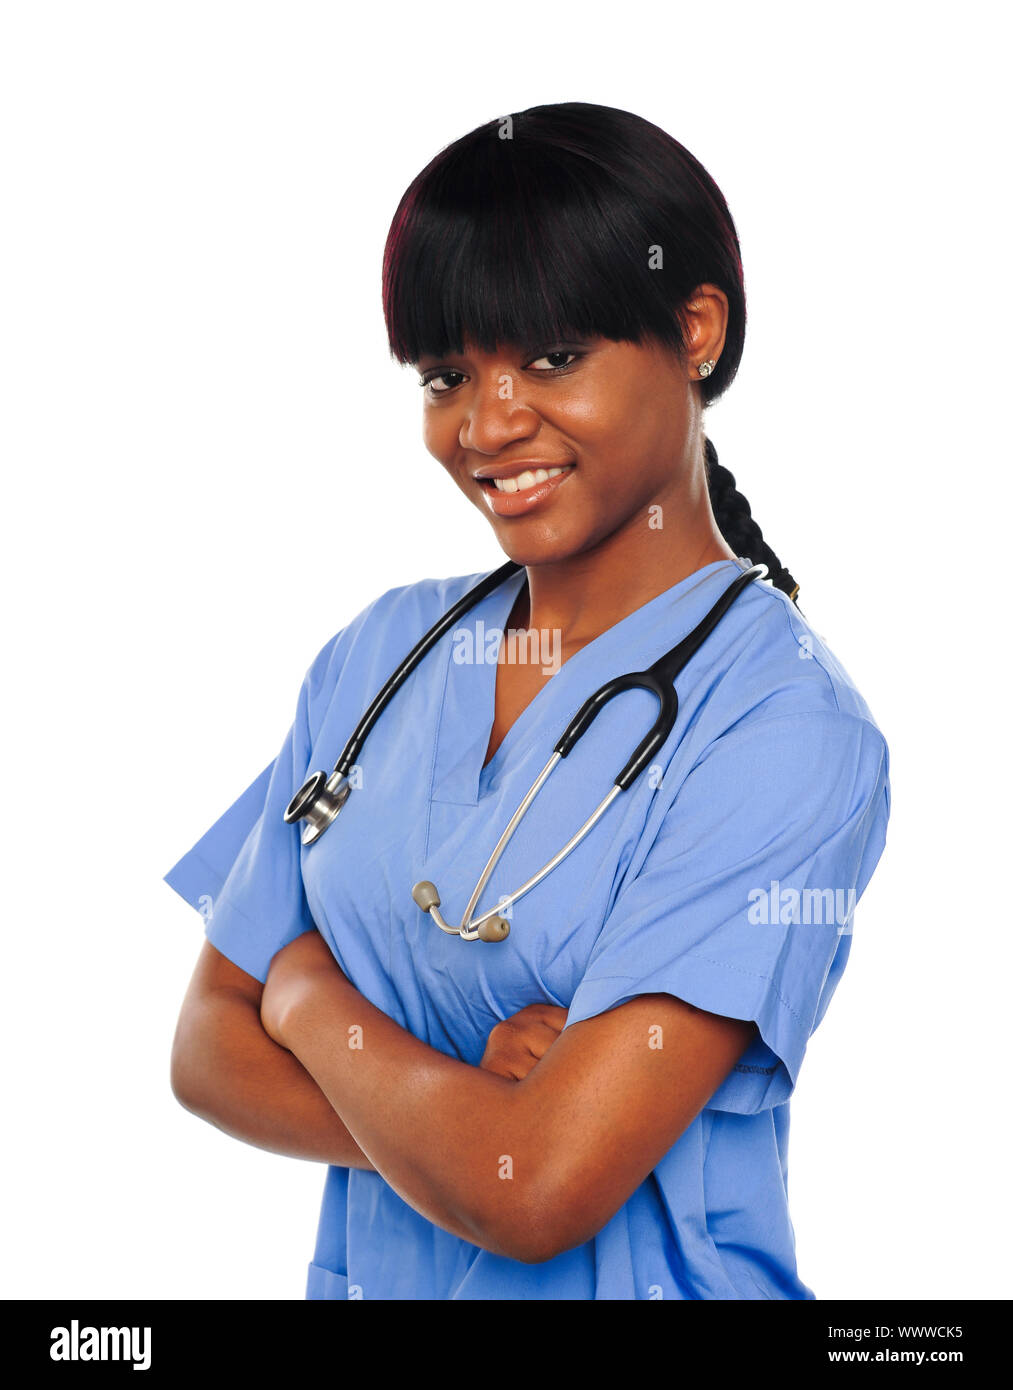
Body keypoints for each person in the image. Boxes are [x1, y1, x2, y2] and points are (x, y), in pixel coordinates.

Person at [164, 102, 891, 1300]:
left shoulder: (779, 727)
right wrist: (452, 1121)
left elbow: (537, 1186)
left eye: (551, 358)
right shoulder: (381, 654)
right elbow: (203, 1051)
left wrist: (299, 994)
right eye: (448, 373)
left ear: (694, 329)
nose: (487, 424)